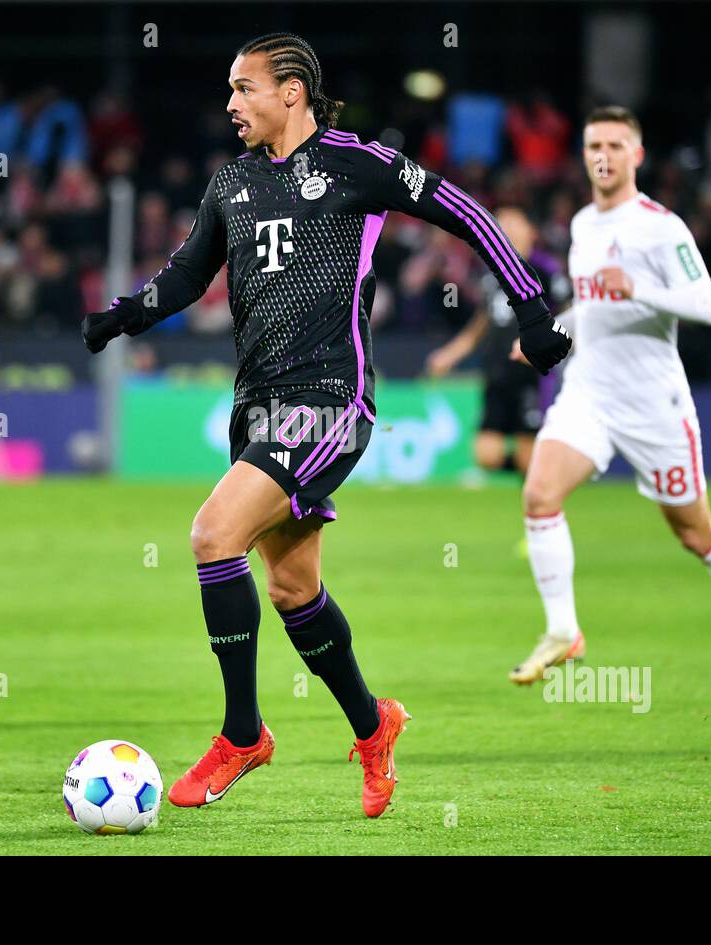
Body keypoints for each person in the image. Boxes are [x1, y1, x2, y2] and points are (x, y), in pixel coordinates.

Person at [83, 32, 569, 817]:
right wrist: (126, 313)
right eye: (229, 91)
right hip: (259, 405)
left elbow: (466, 211)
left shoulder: (356, 164)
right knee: (291, 585)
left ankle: (243, 733)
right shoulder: (232, 184)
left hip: (331, 400)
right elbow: (187, 273)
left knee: (213, 535)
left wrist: (534, 311)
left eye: (244, 89)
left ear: (292, 93)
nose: (231, 105)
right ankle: (374, 727)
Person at [508, 107, 711, 690]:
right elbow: (594, 308)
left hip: (653, 404)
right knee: (539, 495)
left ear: (637, 154)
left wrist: (642, 287)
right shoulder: (582, 225)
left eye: (613, 144)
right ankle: (564, 630)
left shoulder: (661, 227)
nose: (601, 155)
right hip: (589, 394)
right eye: (591, 145)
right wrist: (549, 335)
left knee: (693, 532)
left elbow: (708, 305)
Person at [426, 207, 571, 475]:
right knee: (486, 454)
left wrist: (547, 344)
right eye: (502, 225)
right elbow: (480, 325)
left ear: (532, 231)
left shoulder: (546, 270)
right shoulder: (491, 275)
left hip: (532, 375)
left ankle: (543, 477)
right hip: (496, 374)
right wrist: (449, 354)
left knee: (528, 455)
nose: (508, 230)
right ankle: (535, 471)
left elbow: (568, 312)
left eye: (514, 224)